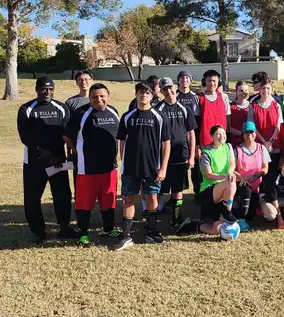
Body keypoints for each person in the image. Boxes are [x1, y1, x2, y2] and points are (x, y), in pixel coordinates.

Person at [112, 82, 171, 251]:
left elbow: (166, 144)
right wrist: (124, 161)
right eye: (140, 92)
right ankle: (127, 235)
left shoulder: (160, 117)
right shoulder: (127, 116)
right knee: (129, 199)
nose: (143, 95)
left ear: (152, 95)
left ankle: (151, 232)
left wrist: (163, 168)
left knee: (152, 198)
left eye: (147, 93)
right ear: (136, 94)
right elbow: (122, 141)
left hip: (152, 167)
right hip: (131, 168)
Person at [17, 77, 75, 242]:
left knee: (62, 194)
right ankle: (38, 231)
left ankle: (64, 226)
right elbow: (25, 137)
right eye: (43, 89)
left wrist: (58, 155)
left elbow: (66, 133)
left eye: (50, 89)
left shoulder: (62, 108)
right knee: (32, 197)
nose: (47, 92)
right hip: (34, 161)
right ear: (37, 89)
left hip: (58, 160)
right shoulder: (26, 109)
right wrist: (46, 154)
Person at [64, 83, 120, 246]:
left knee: (108, 200)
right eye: (95, 97)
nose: (99, 100)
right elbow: (67, 136)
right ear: (89, 98)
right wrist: (78, 151)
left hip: (110, 167)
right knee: (84, 203)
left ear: (108, 96)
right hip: (87, 169)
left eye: (102, 96)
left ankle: (108, 229)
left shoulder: (114, 112)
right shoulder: (81, 114)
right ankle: (83, 234)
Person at [175, 125, 238, 237]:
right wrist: (225, 177)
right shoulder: (206, 153)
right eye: (218, 134)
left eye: (223, 133)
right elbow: (209, 174)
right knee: (231, 183)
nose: (221, 136)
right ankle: (227, 211)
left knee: (216, 230)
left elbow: (232, 164)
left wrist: (229, 172)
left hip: (223, 192)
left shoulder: (228, 146)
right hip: (208, 192)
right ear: (212, 136)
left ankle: (192, 225)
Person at [155, 77, 197, 227]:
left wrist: (191, 156)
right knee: (159, 188)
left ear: (175, 87)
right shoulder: (157, 110)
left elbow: (191, 134)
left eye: (170, 88)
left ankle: (176, 218)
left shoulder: (185, 109)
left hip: (181, 156)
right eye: (164, 89)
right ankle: (154, 216)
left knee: (178, 189)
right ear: (161, 91)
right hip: (163, 158)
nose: (168, 91)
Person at [233, 121, 270, 232]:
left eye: (251, 132)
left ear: (255, 134)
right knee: (246, 191)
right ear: (243, 135)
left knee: (251, 215)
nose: (249, 134)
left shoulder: (261, 148)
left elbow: (265, 168)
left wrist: (254, 176)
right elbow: (231, 169)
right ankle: (241, 221)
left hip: (256, 185)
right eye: (246, 132)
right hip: (241, 184)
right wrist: (242, 178)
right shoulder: (237, 150)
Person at [248, 80, 283, 167]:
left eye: (268, 88)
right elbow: (252, 127)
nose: (265, 90)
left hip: (274, 144)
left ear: (272, 90)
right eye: (263, 88)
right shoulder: (253, 106)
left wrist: (271, 141)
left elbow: (278, 125)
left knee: (273, 170)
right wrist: (264, 142)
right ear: (259, 90)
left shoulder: (277, 106)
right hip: (259, 144)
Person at [229, 81, 250, 148]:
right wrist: (241, 134)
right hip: (235, 142)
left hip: (250, 141)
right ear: (236, 92)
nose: (244, 92)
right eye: (241, 90)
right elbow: (227, 126)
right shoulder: (230, 106)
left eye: (246, 90)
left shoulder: (253, 106)